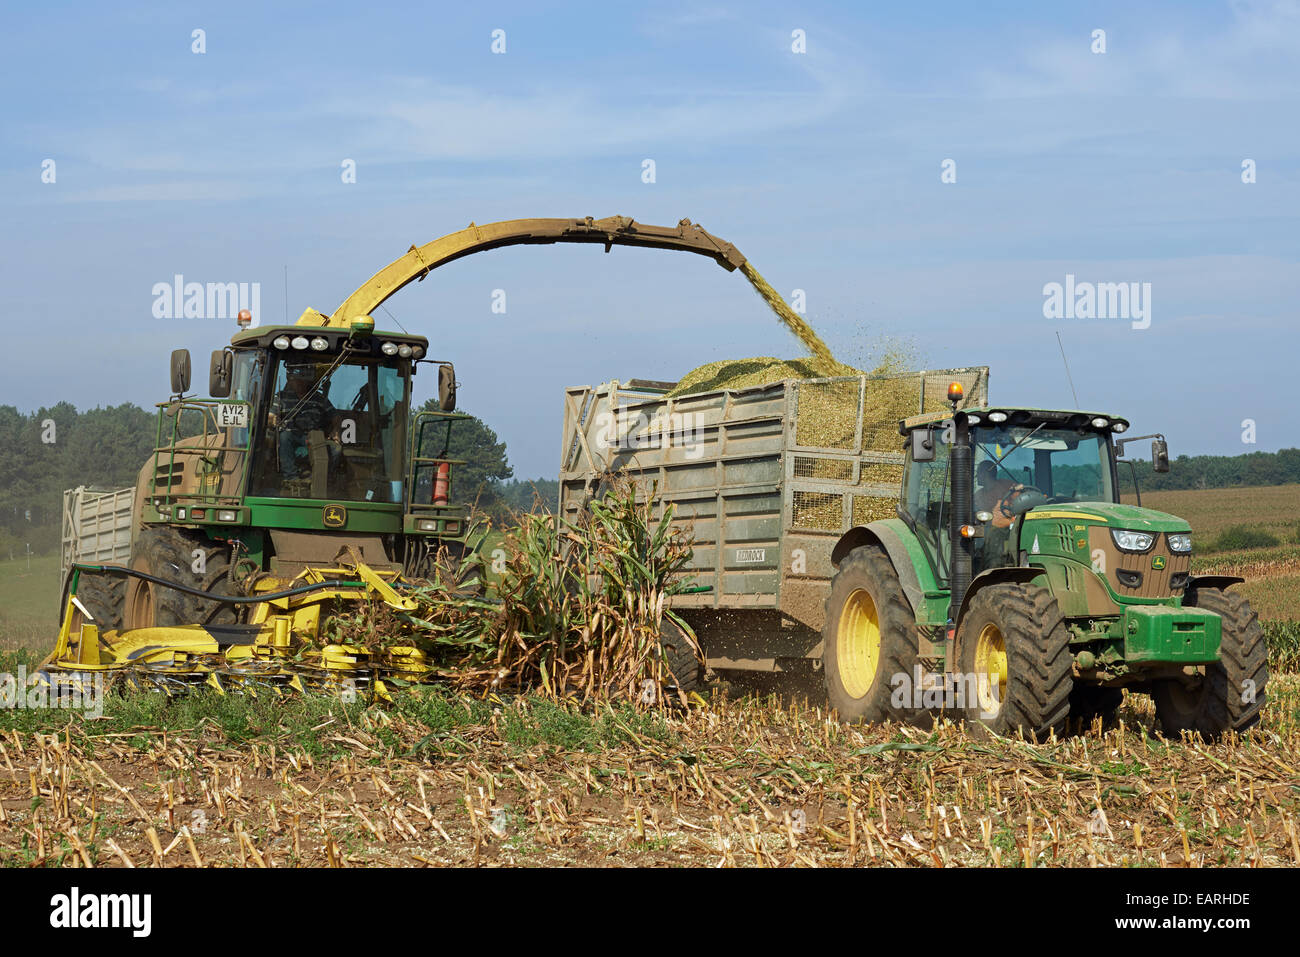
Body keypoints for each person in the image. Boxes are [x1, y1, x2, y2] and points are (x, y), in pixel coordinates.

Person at [270, 363, 342, 482]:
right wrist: (273, 420)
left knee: (336, 449)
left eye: (302, 379)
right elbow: (270, 416)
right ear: (289, 380)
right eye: (296, 379)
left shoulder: (319, 399)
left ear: (308, 380)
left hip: (313, 437)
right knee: (283, 437)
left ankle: (322, 479)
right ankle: (291, 478)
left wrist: (336, 431)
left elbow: (336, 417)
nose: (299, 382)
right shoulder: (281, 397)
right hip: (290, 436)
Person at [975, 459, 1025, 529]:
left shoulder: (1007, 487)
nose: (976, 476)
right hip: (986, 531)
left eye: (978, 472)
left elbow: (1023, 503)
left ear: (985, 473)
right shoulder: (978, 495)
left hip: (1008, 531)